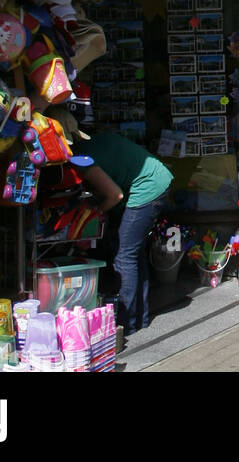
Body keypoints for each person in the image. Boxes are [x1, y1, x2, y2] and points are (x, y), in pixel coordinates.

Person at [61, 114, 174, 336]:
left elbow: (115, 195)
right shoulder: (95, 141)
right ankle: (139, 320)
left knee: (125, 256)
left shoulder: (80, 157)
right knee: (134, 254)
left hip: (147, 188)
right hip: (158, 177)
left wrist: (96, 211)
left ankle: (127, 323)